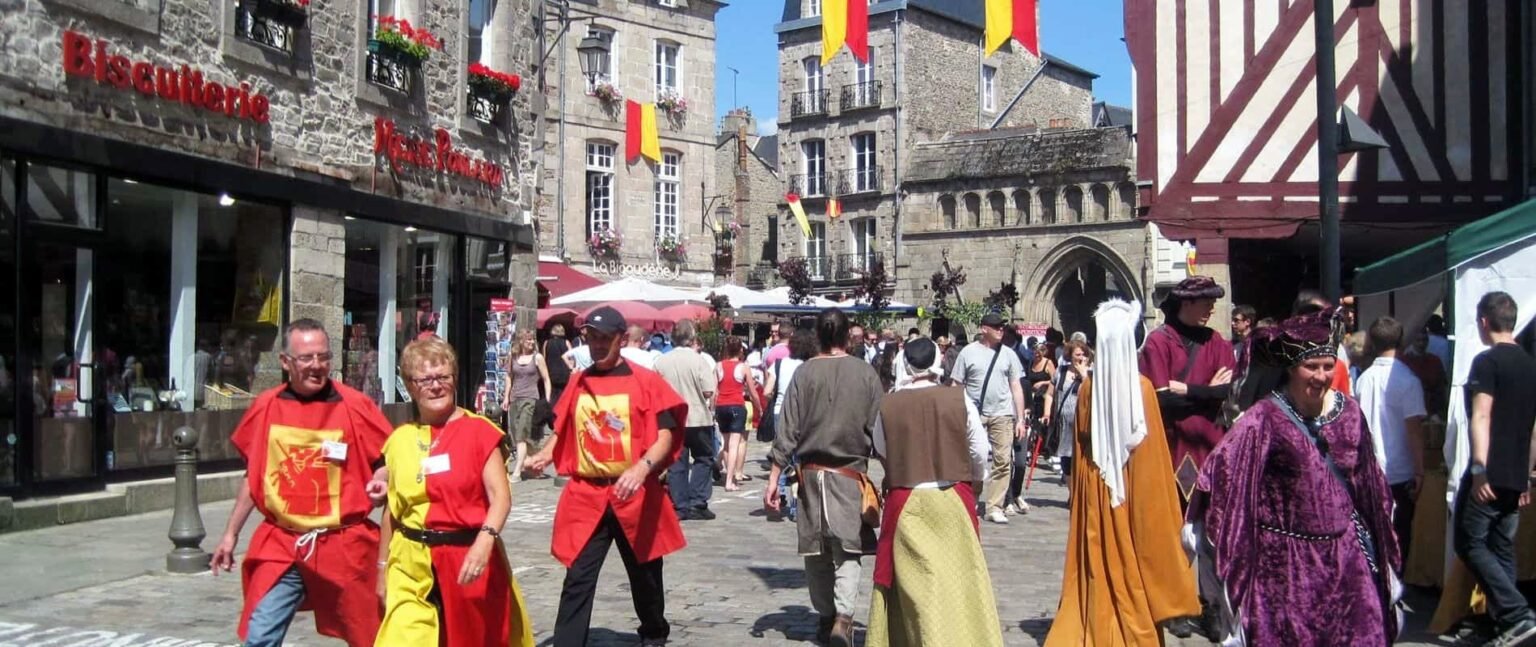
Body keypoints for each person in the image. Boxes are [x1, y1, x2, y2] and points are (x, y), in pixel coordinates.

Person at [1186, 309, 1401, 646]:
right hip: (1286, 568)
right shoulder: (1263, 420)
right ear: (1290, 369)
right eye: (1311, 367)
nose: (1321, 376)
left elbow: (1370, 485)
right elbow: (1221, 475)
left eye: (1328, 366)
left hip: (1348, 562)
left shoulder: (1350, 414)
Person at [210, 319, 394, 647]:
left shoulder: (354, 406)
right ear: (285, 362)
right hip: (283, 542)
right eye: (306, 358)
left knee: (370, 635)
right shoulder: (267, 406)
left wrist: (380, 481)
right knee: (259, 634)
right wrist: (229, 534)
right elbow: (254, 478)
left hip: (343, 544)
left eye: (323, 357)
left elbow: (387, 461)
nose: (316, 366)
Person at [522, 305, 689, 647]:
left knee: (645, 575)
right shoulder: (579, 382)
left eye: (604, 339)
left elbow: (666, 435)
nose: (597, 345)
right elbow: (563, 427)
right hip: (588, 495)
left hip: (634, 494)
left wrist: (642, 467)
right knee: (578, 576)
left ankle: (654, 630)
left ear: (622, 340)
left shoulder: (645, 381)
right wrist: (544, 454)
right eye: (591, 338)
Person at [1044, 300, 1199, 646]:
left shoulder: (1089, 387)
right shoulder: (1141, 388)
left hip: (1096, 485)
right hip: (1131, 485)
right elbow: (1150, 452)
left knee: (1097, 562)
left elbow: (1085, 440)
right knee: (1131, 562)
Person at [376, 336, 535, 646]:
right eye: (425, 379)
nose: (435, 386)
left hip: (466, 559)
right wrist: (382, 569)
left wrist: (485, 541)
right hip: (409, 563)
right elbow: (392, 511)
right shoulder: (399, 439)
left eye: (443, 377)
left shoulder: (480, 432)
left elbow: (500, 497)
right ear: (410, 385)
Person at [866, 338, 1002, 647]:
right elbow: (980, 449)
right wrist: (976, 480)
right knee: (961, 575)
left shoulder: (889, 403)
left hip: (907, 499)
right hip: (952, 495)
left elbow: (881, 446)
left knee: (916, 583)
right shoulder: (958, 398)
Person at [765, 308, 884, 647]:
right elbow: (879, 430)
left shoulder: (804, 373)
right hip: (849, 476)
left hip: (811, 476)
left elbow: (786, 430)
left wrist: (774, 476)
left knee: (816, 553)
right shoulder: (865, 373)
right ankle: (843, 619)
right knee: (847, 551)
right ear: (848, 336)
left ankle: (827, 616)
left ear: (818, 335)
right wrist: (891, 473)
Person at [1454, 291, 1536, 646]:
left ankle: (1516, 613)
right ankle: (1509, 624)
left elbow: (1482, 414)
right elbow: (1534, 429)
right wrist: (1529, 475)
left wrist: (1478, 468)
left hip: (1492, 469)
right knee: (1501, 544)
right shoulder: (1531, 365)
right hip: (1517, 471)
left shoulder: (1486, 362)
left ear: (1484, 323)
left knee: (1468, 541)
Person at [1138, 275, 1235, 505]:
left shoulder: (1216, 341)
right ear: (1187, 303)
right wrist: (1209, 392)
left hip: (1211, 444)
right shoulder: (1159, 342)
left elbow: (1231, 391)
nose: (1211, 310)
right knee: (1174, 516)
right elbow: (1162, 400)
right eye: (1206, 303)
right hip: (1172, 444)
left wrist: (1190, 390)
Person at [1354, 316, 1427, 563]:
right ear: (1401, 340)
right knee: (1399, 538)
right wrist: (1420, 471)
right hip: (1400, 471)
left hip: (1370, 469)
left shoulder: (1363, 379)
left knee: (1373, 536)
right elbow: (1414, 429)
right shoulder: (1408, 381)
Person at [952, 313, 1029, 524]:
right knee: (972, 458)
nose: (1001, 330)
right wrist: (956, 412)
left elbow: (1016, 387)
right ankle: (972, 497)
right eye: (996, 327)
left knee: (1003, 460)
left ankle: (995, 506)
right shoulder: (968, 352)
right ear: (984, 328)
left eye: (1002, 327)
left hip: (1002, 414)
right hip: (974, 414)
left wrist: (1020, 418)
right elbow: (957, 385)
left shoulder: (1009, 355)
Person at [655, 319, 718, 522]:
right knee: (703, 459)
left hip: (673, 418)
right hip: (698, 417)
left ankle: (679, 505)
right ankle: (697, 502)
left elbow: (655, 390)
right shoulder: (698, 360)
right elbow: (709, 390)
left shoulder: (661, 361)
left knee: (677, 463)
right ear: (692, 338)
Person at [502, 331, 551, 482]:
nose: (531, 342)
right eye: (528, 340)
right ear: (521, 341)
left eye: (532, 340)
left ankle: (517, 472)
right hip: (515, 399)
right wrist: (506, 397)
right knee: (516, 435)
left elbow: (546, 379)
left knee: (521, 435)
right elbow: (509, 376)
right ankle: (535, 461)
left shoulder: (537, 358)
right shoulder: (513, 357)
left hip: (530, 399)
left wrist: (547, 400)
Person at [715, 335, 763, 492]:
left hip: (721, 406)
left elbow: (715, 390)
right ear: (740, 350)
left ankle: (728, 478)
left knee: (727, 443)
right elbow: (752, 391)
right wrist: (759, 408)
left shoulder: (718, 366)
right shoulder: (743, 367)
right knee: (735, 443)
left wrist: (712, 409)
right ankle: (731, 480)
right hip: (736, 405)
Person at [1048, 340, 1092, 492]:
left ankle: (1081, 494)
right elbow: (1050, 393)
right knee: (1066, 461)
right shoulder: (1061, 372)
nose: (1081, 357)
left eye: (1083, 354)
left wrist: (1083, 375)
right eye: (1077, 354)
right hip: (1064, 424)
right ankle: (1072, 493)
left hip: (1084, 424)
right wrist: (1047, 412)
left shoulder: (1091, 374)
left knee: (1081, 460)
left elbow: (1091, 392)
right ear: (1070, 356)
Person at [543, 324, 574, 406]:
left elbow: (544, 358)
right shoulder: (567, 343)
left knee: (552, 396)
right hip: (564, 374)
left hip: (551, 373)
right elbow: (572, 358)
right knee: (563, 396)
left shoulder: (547, 343)